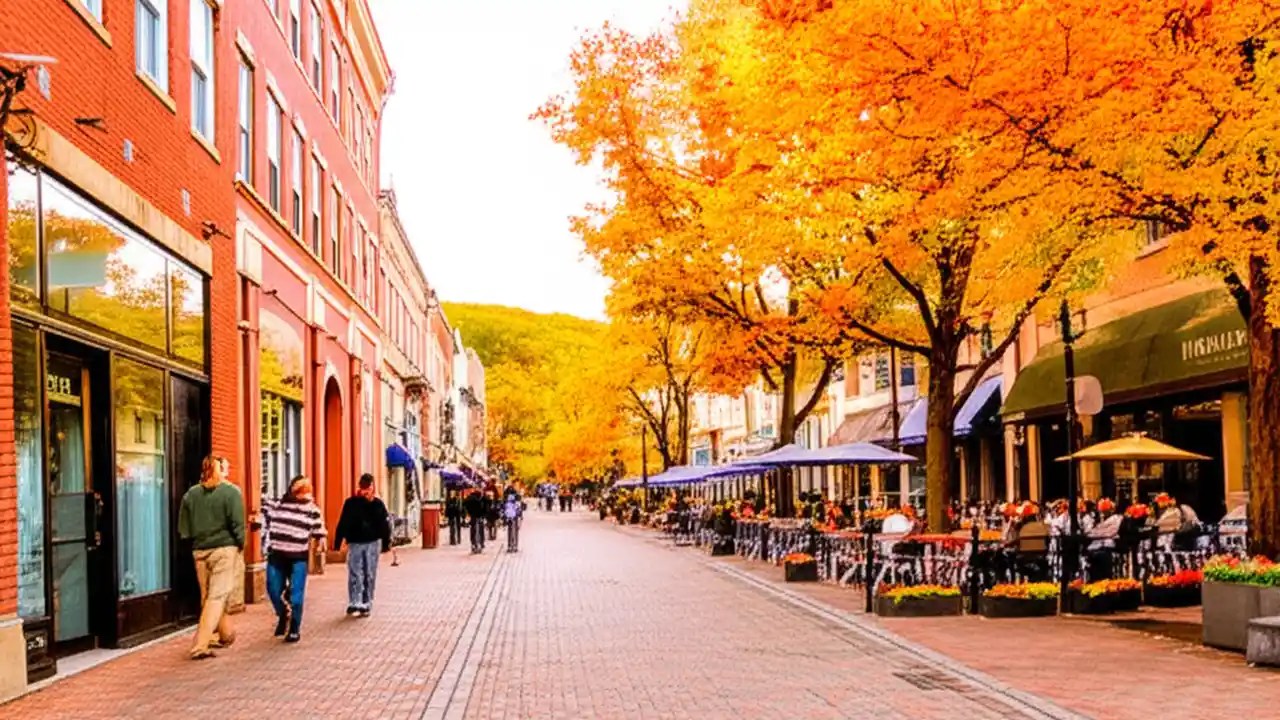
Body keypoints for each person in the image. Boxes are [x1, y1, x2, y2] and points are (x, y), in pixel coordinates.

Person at [178, 455, 244, 660]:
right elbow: (238, 524)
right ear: (220, 469)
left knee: (209, 597)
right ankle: (200, 645)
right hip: (224, 549)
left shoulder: (190, 495)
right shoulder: (231, 492)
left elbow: (184, 530)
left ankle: (226, 635)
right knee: (216, 597)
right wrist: (241, 545)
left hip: (200, 551)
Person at [256, 475, 326, 642]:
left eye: (307, 492)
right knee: (273, 589)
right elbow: (262, 510)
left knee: (296, 594)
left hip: (298, 557)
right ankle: (283, 614)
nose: (306, 495)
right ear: (294, 492)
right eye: (302, 492)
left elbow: (319, 530)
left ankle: (294, 628)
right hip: (277, 555)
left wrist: (320, 542)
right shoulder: (278, 505)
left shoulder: (312, 510)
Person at [333, 474, 392, 617]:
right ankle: (354, 601)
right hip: (355, 542)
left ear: (373, 487)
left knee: (369, 573)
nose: (366, 491)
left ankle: (367, 602)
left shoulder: (378, 504)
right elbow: (343, 522)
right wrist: (338, 541)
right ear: (359, 488)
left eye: (368, 488)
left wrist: (386, 543)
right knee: (355, 572)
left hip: (373, 542)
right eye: (363, 488)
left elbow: (385, 525)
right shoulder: (351, 503)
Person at [463, 488, 490, 553]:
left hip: (473, 516)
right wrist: (485, 515)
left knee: (473, 530)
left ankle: (473, 544)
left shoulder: (470, 497)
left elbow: (465, 504)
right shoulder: (483, 498)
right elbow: (487, 507)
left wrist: (468, 513)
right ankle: (481, 543)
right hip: (480, 516)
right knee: (480, 530)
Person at [503, 487, 524, 552]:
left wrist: (504, 517)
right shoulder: (517, 497)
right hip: (515, 517)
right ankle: (515, 546)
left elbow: (504, 507)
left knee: (509, 531)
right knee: (515, 531)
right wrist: (520, 516)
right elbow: (519, 507)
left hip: (509, 517)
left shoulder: (506, 498)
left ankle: (509, 546)